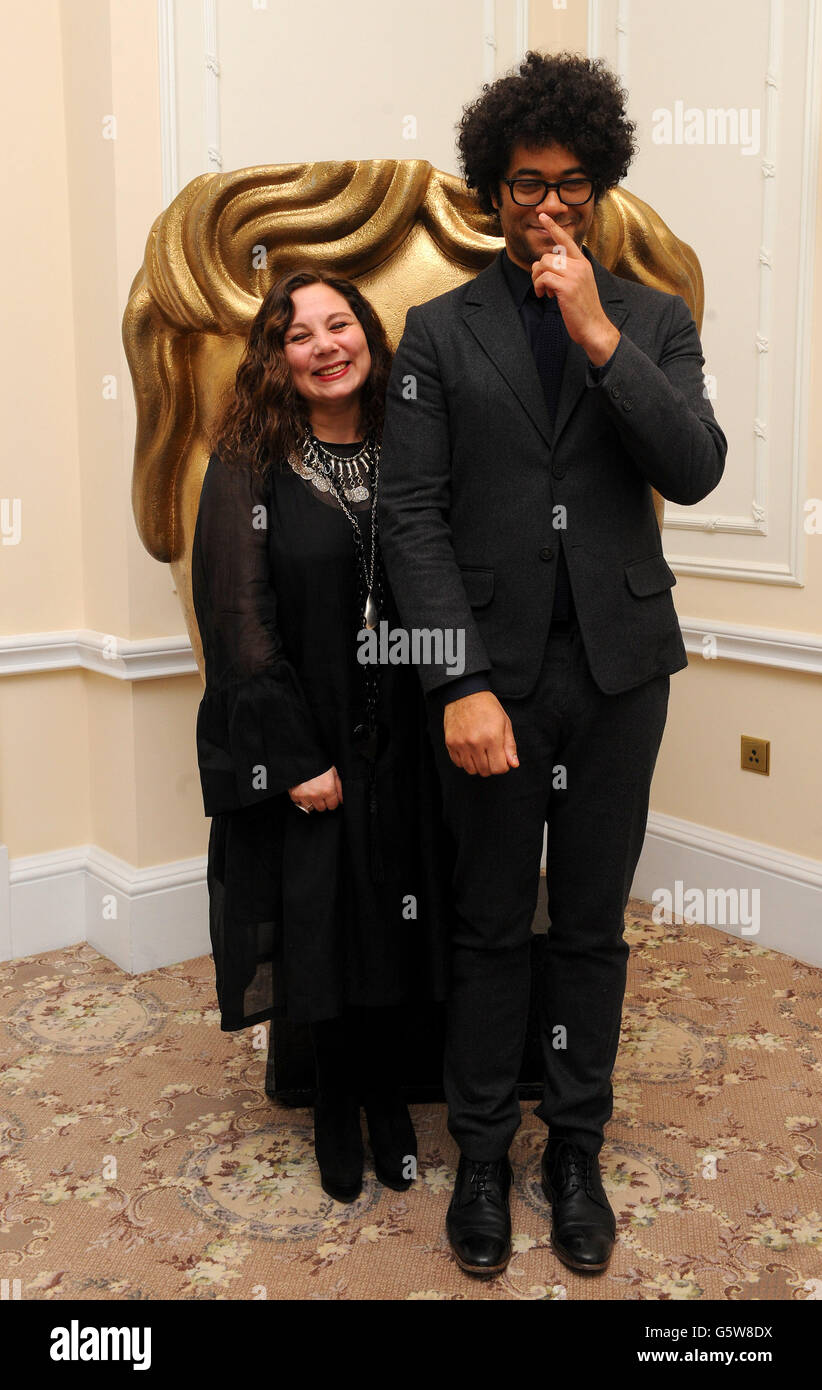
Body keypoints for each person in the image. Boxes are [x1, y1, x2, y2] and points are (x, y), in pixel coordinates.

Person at [378, 51, 727, 1277]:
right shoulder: (433, 332)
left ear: (599, 188)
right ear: (492, 191)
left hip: (623, 668)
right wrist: (458, 682)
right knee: (484, 925)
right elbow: (409, 517)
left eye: (573, 185)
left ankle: (572, 1146)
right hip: (493, 678)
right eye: (527, 184)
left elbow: (693, 465)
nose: (550, 206)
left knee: (587, 927)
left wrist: (593, 333)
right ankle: (480, 1154)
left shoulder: (654, 319)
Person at [191, 267, 451, 1205]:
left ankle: (390, 1097)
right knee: (322, 924)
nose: (325, 345)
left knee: (397, 913)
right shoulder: (248, 460)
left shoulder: (412, 445)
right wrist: (294, 758)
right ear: (279, 358)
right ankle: (335, 1102)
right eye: (300, 335)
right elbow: (236, 615)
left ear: (370, 340)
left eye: (340, 325)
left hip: (413, 739)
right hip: (312, 740)